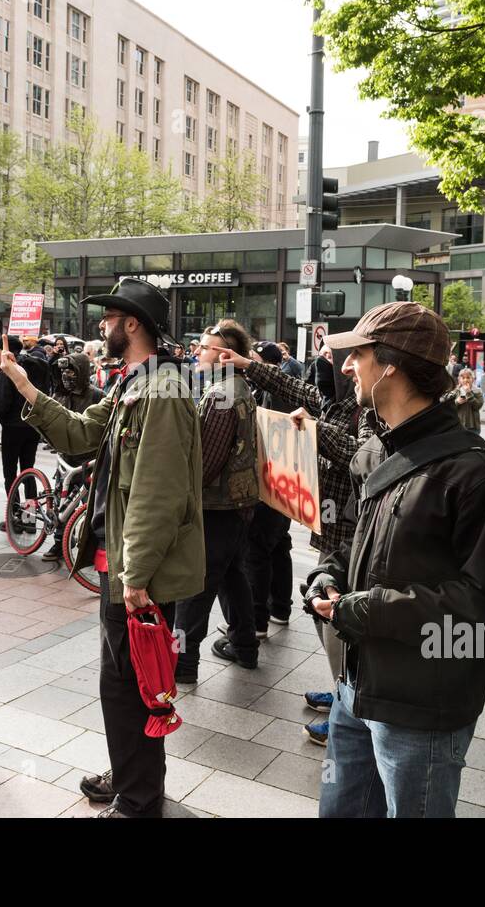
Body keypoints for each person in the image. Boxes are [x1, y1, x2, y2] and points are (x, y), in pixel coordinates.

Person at [303, 302, 485, 818]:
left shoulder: (475, 477)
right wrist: (327, 574)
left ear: (390, 365)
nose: (346, 366)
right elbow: (358, 544)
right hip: (353, 687)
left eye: (357, 354)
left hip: (421, 709)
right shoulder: (375, 452)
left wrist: (369, 610)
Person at [4, 277, 204, 818]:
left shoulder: (163, 390)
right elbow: (78, 435)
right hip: (120, 562)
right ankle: (131, 773)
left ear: (132, 324)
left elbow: (157, 493)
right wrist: (24, 385)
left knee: (130, 685)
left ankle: (138, 799)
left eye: (109, 317)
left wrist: (135, 575)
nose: (101, 325)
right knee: (122, 681)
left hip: (136, 570)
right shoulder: (135, 384)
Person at [216, 338, 378, 746]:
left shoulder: (369, 409)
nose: (333, 366)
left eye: (336, 358)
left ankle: (349, 711)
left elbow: (361, 456)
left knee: (343, 619)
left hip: (351, 530)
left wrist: (316, 431)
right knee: (328, 617)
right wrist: (247, 364)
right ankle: (343, 691)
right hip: (332, 528)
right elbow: (294, 387)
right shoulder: (334, 399)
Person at [174, 320, 261, 683]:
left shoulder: (222, 393)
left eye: (204, 347)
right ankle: (245, 646)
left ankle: (183, 662)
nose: (196, 351)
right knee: (232, 576)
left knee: (195, 584)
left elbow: (206, 463)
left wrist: (180, 497)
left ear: (225, 355)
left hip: (218, 507)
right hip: (237, 504)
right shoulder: (237, 387)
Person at [243, 341, 295, 640]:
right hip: (282, 481)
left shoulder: (275, 393)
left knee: (259, 549)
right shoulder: (271, 390)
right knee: (278, 544)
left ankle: (257, 621)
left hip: (273, 480)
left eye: (253, 360)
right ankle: (280, 609)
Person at [42, 351, 106, 560]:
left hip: (88, 461)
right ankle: (59, 543)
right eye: (63, 372)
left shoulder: (97, 396)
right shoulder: (59, 394)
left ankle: (88, 548)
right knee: (62, 503)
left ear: (81, 372)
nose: (66, 376)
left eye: (71, 371)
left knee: (90, 506)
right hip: (65, 460)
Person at [0, 335, 44, 533]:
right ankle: (29, 519)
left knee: (10, 474)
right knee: (28, 471)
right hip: (32, 427)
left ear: (7, 351)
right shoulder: (35, 367)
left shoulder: (7, 372)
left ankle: (14, 516)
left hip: (13, 429)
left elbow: (2, 406)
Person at [443, 367, 484, 432]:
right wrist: (457, 402)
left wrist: (469, 393)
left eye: (468, 377)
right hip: (457, 425)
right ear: (459, 380)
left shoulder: (477, 391)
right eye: (463, 378)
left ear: (473, 379)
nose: (465, 380)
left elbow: (478, 406)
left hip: (472, 426)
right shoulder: (455, 391)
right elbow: (447, 406)